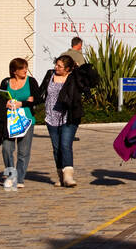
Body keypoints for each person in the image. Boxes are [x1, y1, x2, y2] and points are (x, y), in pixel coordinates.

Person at [37, 53, 98, 186]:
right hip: (51, 117)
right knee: (56, 147)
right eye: (56, 64)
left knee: (65, 145)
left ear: (68, 69)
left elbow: (92, 79)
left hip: (69, 117)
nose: (56, 67)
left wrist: (78, 68)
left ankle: (68, 177)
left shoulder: (74, 76)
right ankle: (61, 176)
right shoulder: (50, 74)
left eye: (60, 66)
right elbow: (41, 91)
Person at [0, 57, 41, 189]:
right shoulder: (5, 82)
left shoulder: (31, 81)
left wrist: (23, 103)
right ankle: (11, 175)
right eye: (22, 68)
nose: (25, 70)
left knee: (23, 152)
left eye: (26, 67)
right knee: (7, 148)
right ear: (14, 71)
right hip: (8, 121)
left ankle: (20, 178)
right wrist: (6, 103)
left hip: (27, 120)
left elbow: (38, 99)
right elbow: (0, 98)